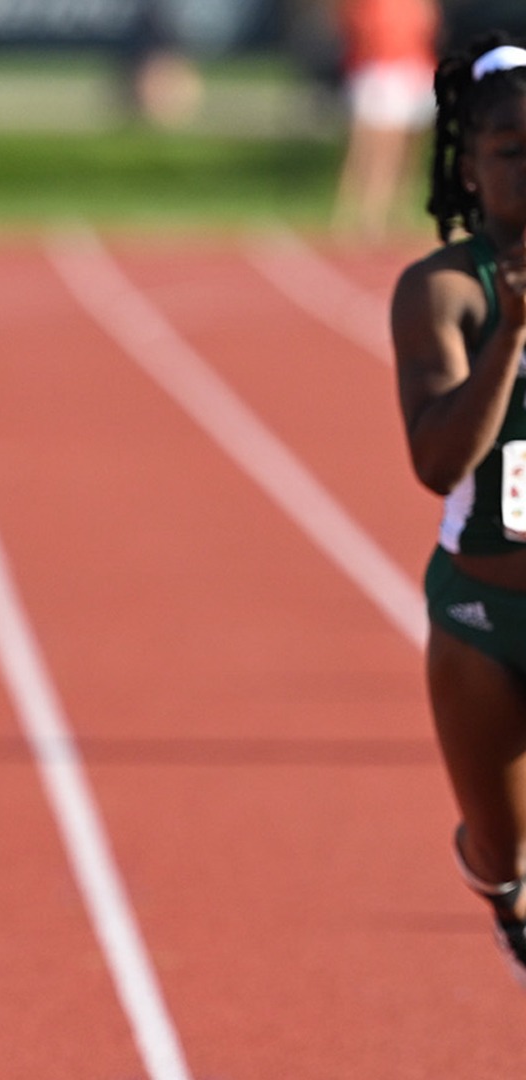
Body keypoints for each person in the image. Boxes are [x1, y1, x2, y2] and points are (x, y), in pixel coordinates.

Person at [395, 31, 526, 990]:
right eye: (512, 150)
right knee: (501, 850)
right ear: (471, 171)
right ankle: (507, 893)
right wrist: (513, 331)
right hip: (485, 618)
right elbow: (439, 463)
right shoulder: (443, 290)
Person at [332, 0, 441, 242]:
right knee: (375, 148)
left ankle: (399, 212)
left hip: (416, 65)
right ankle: (361, 215)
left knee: (409, 149)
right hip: (381, 67)